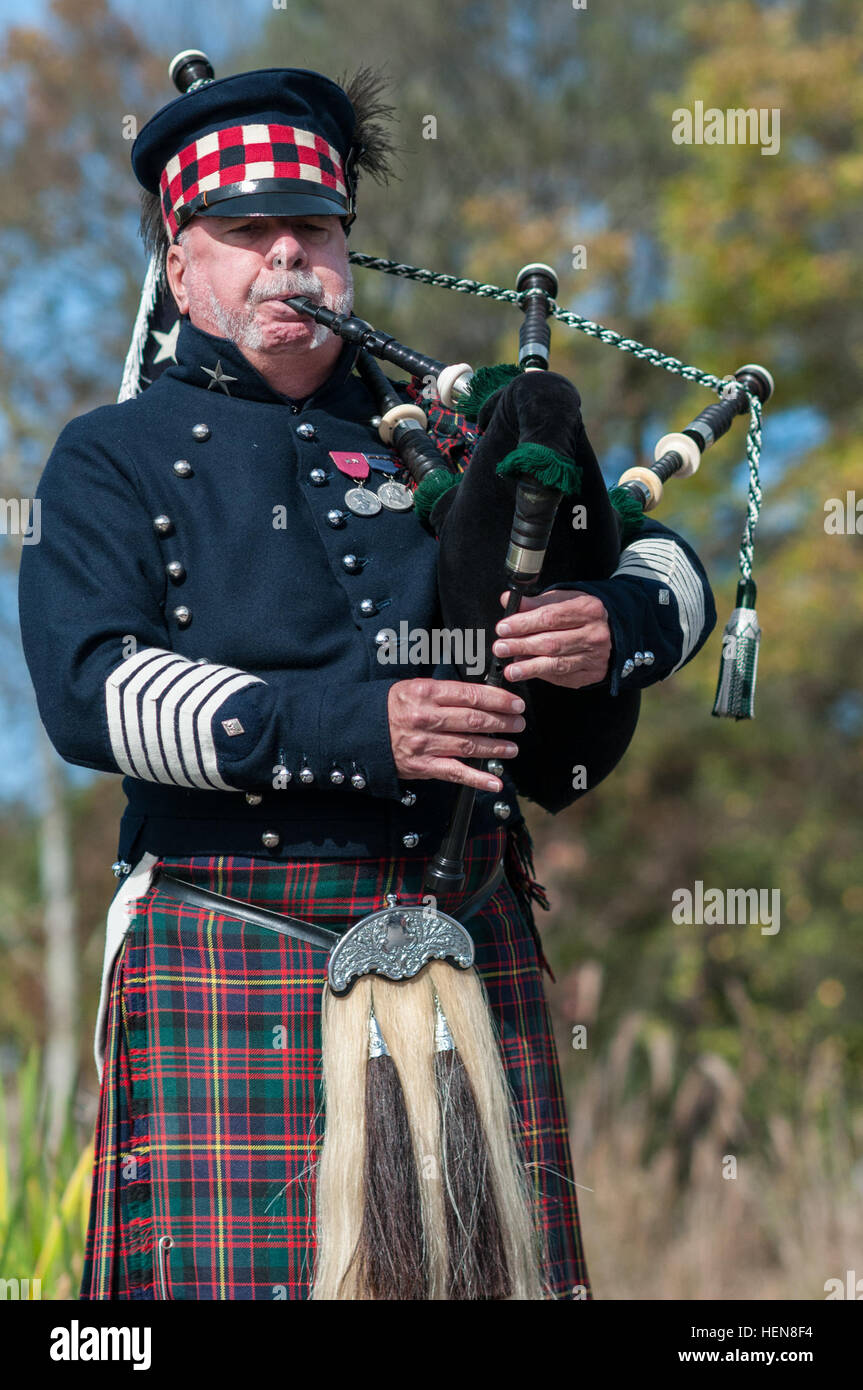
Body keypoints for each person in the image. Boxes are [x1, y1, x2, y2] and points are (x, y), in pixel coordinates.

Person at [17, 63, 715, 1300]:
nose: (287, 258)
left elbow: (651, 558)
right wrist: (355, 724)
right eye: (245, 233)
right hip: (232, 946)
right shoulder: (107, 458)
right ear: (181, 268)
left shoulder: (447, 435)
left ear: (348, 250)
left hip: (467, 941)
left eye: (315, 231)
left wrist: (612, 625)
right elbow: (91, 690)